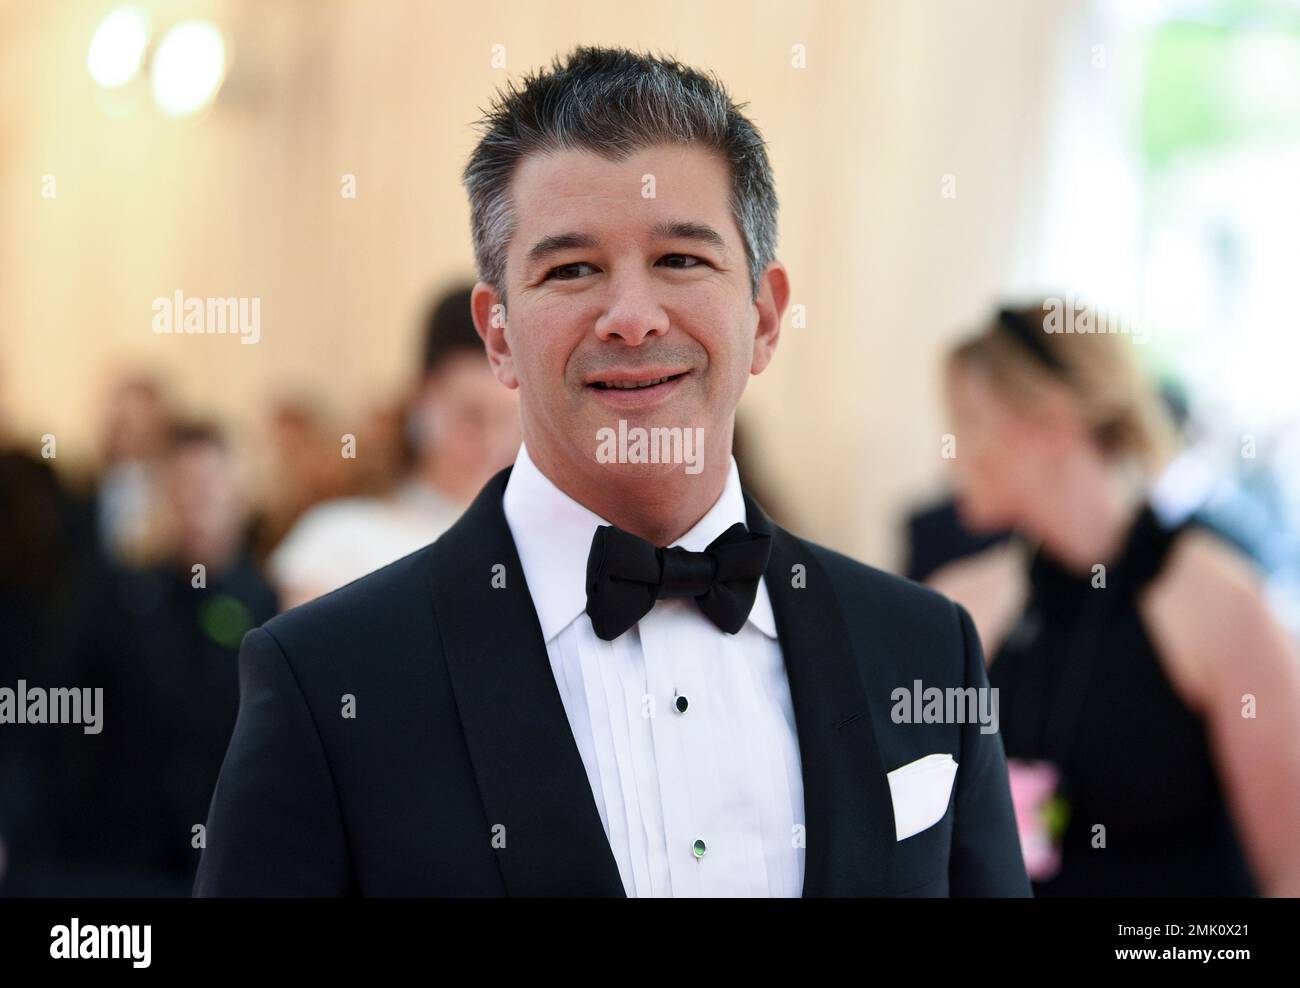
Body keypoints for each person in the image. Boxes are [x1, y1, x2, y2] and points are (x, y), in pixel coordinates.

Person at [195, 46, 1029, 897]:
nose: (631, 318)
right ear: (498, 335)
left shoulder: (927, 650)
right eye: (572, 270)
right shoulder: (329, 680)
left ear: (767, 315)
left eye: (681, 259)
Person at [931, 302, 1300, 896]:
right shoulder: (961, 602)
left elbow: (1289, 870)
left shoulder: (1220, 605)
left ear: (1054, 420)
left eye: (969, 423)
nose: (949, 453)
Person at [265, 286, 520, 608]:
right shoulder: (338, 539)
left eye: (509, 420)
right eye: (471, 417)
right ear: (422, 399)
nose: (491, 442)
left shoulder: (537, 541)